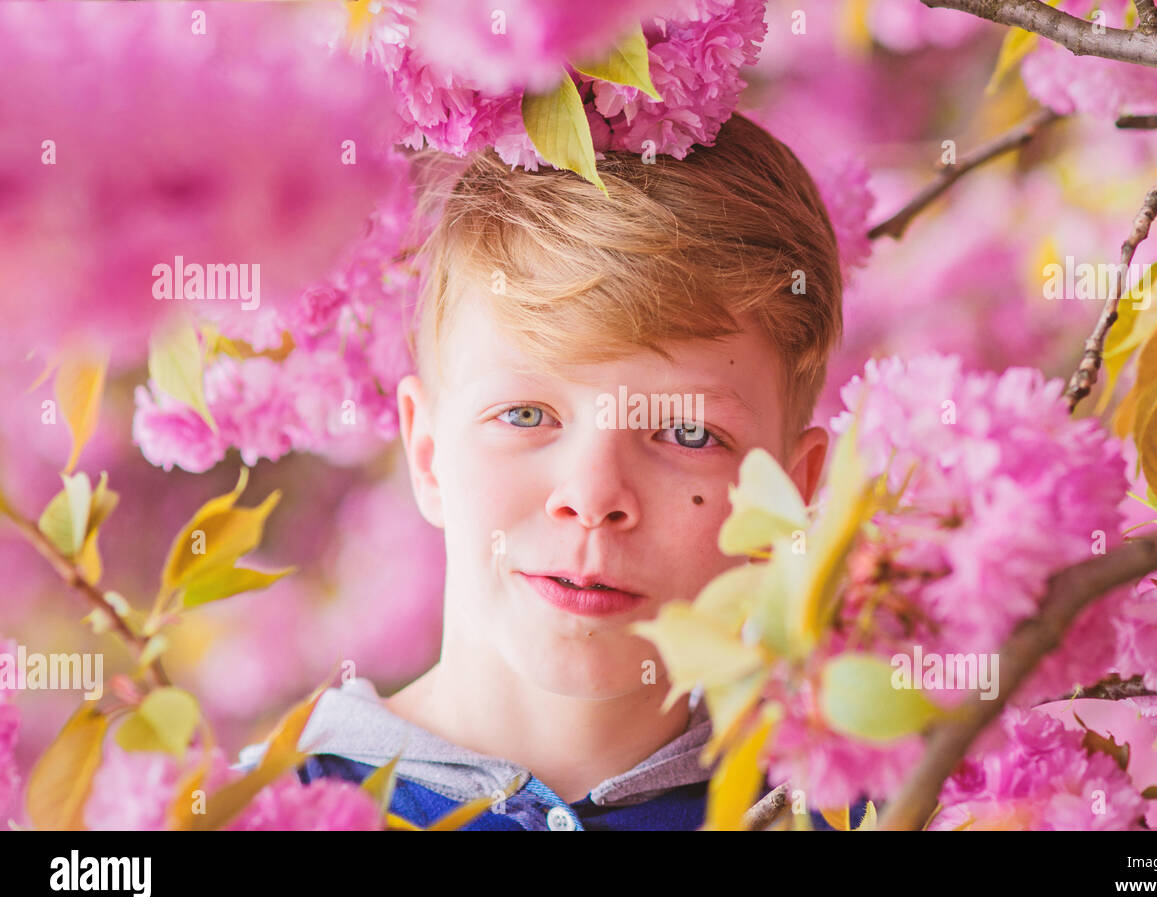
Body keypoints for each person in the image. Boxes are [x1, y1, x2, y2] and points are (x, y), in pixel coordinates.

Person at [237, 111, 865, 830]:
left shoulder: (861, 808)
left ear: (789, 495)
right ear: (428, 452)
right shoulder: (261, 814)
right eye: (527, 416)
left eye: (689, 432)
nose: (594, 498)